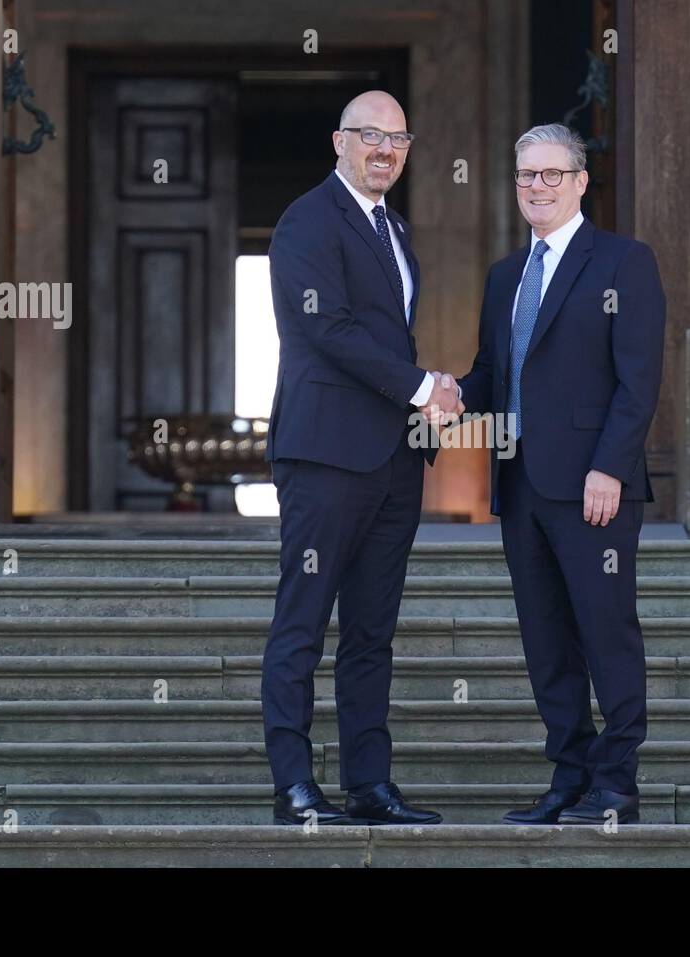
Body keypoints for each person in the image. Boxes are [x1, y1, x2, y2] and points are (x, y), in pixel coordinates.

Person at [455, 123, 666, 825]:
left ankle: (618, 782)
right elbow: (492, 376)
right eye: (526, 177)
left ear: (580, 182)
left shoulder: (623, 263)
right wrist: (430, 401)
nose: (537, 187)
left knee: (606, 633)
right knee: (546, 642)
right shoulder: (504, 277)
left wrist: (610, 466)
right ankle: (569, 775)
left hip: (592, 488)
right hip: (519, 486)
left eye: (551, 174)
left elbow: (638, 382)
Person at [262, 90, 461, 826]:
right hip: (324, 456)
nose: (385, 149)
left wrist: (429, 394)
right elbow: (330, 331)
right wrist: (422, 388)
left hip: (392, 459)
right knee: (303, 623)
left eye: (398, 139)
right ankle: (293, 786)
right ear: (338, 142)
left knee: (372, 631)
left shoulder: (392, 226)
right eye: (370, 135)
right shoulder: (307, 220)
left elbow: (383, 334)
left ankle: (370, 784)